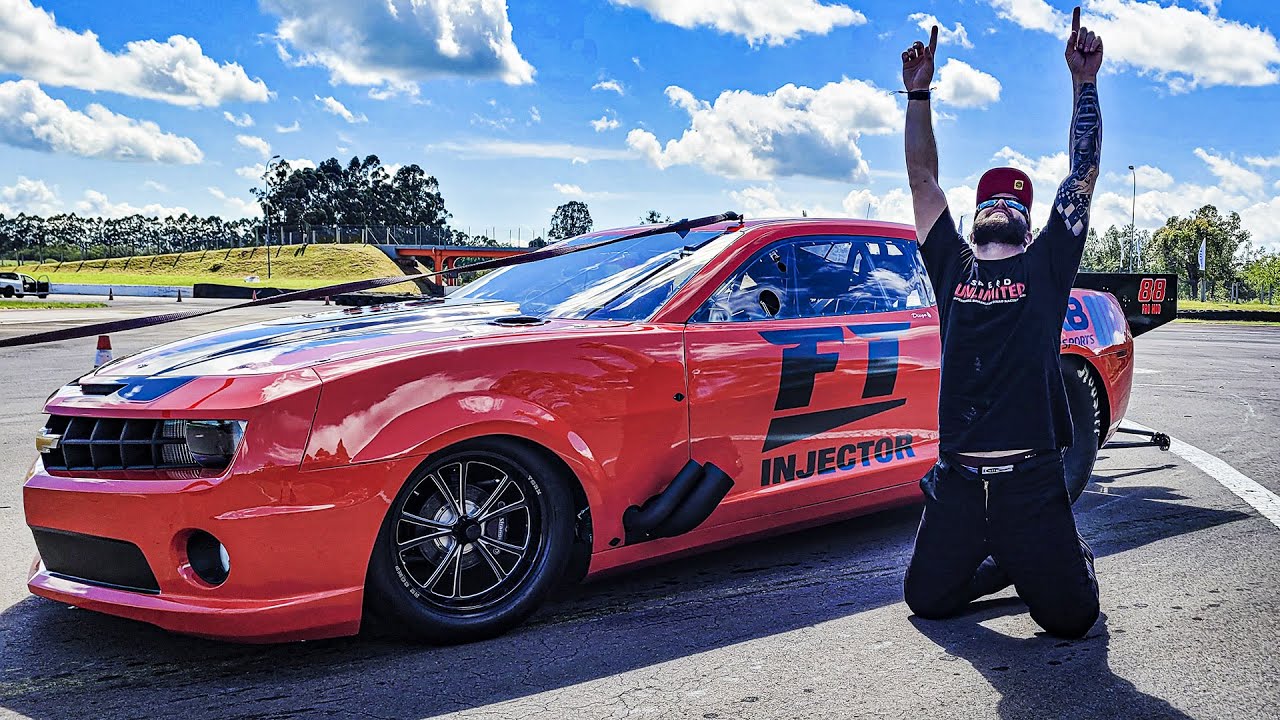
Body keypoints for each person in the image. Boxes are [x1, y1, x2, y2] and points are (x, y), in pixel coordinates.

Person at [899, 7, 1104, 638]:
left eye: (1011, 200)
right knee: (926, 601)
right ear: (978, 210)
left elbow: (1084, 173)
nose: (999, 205)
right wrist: (918, 93)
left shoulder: (1048, 266)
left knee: (1072, 619)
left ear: (1024, 217)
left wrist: (1084, 82)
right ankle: (1008, 566)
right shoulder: (952, 266)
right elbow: (922, 177)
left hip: (1030, 483)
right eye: (990, 198)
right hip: (958, 484)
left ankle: (1052, 560)